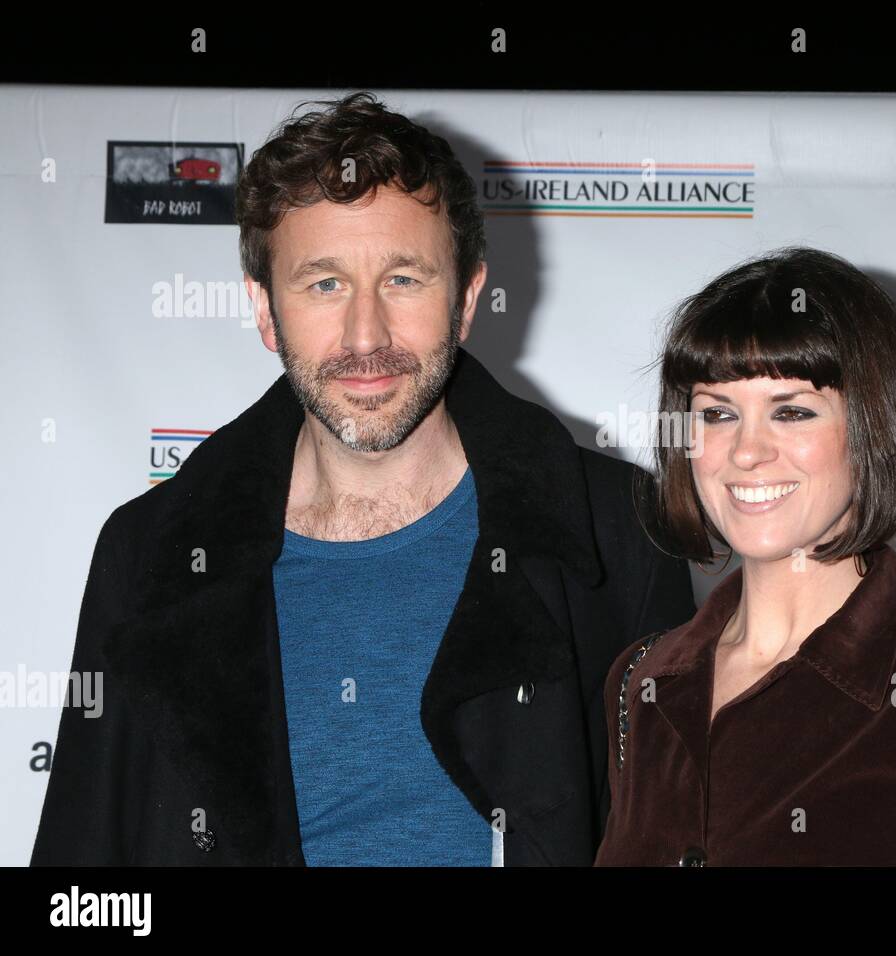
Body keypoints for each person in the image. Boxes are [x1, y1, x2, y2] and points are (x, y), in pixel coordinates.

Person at [30, 91, 695, 866]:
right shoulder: (149, 554)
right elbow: (80, 869)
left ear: (468, 298)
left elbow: (673, 833)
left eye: (404, 280)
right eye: (324, 284)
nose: (366, 335)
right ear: (264, 310)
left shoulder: (616, 531)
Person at [595, 247, 896, 866]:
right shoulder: (643, 679)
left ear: (875, 428)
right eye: (717, 414)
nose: (746, 452)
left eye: (792, 412)